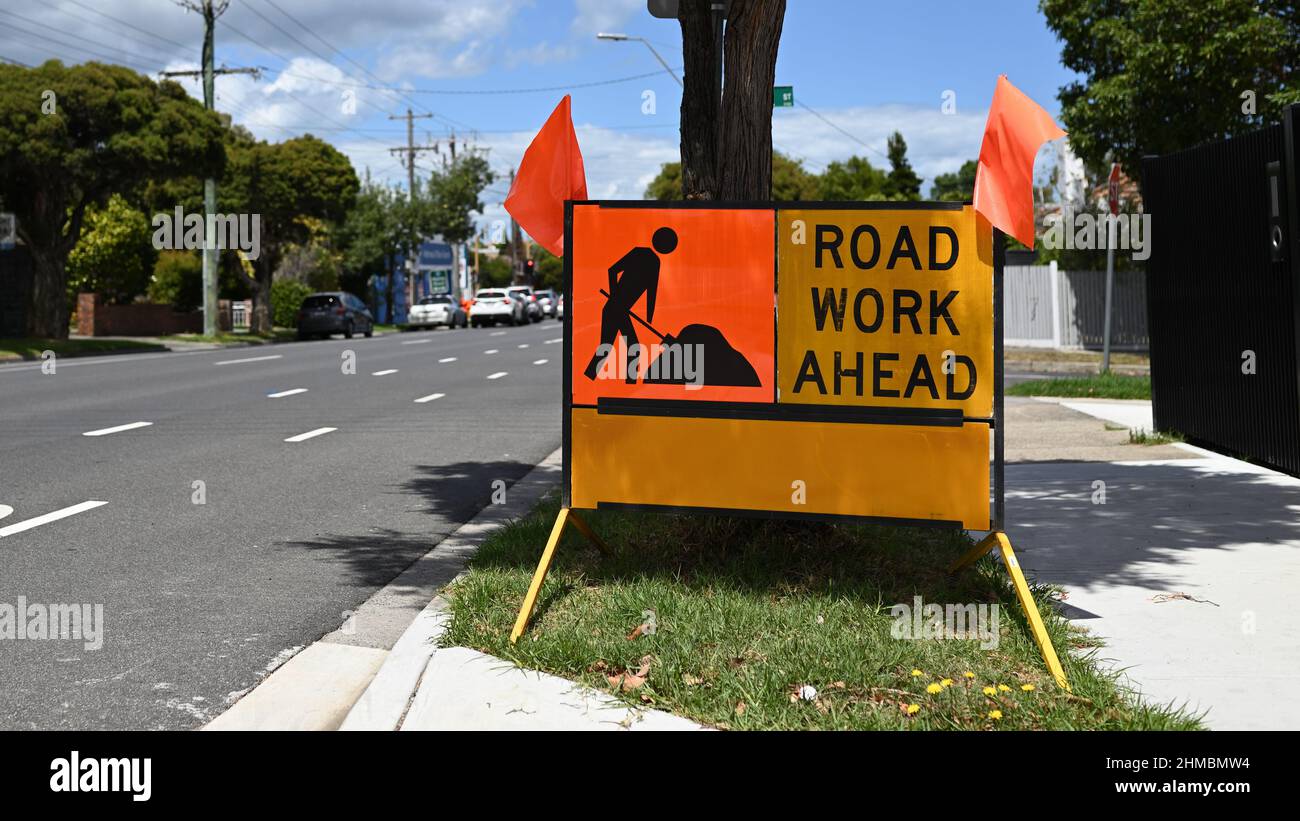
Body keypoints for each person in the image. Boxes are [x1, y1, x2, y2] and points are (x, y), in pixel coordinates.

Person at [583, 226, 677, 383]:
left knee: (612, 348)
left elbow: (651, 293)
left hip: (619, 309)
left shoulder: (654, 262)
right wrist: (614, 298)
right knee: (625, 348)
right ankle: (626, 383)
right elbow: (612, 270)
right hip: (614, 309)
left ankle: (592, 378)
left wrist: (650, 318)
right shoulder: (640, 254)